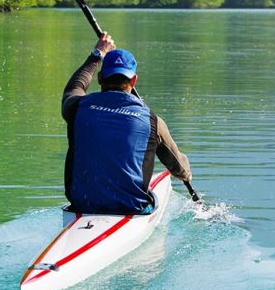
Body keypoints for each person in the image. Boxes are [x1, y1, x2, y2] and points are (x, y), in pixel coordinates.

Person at [61, 32, 193, 214]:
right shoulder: (152, 121)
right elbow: (178, 167)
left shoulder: (76, 108)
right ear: (133, 80)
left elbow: (75, 86)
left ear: (100, 78)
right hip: (130, 209)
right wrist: (186, 174)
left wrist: (97, 54)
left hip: (82, 205)